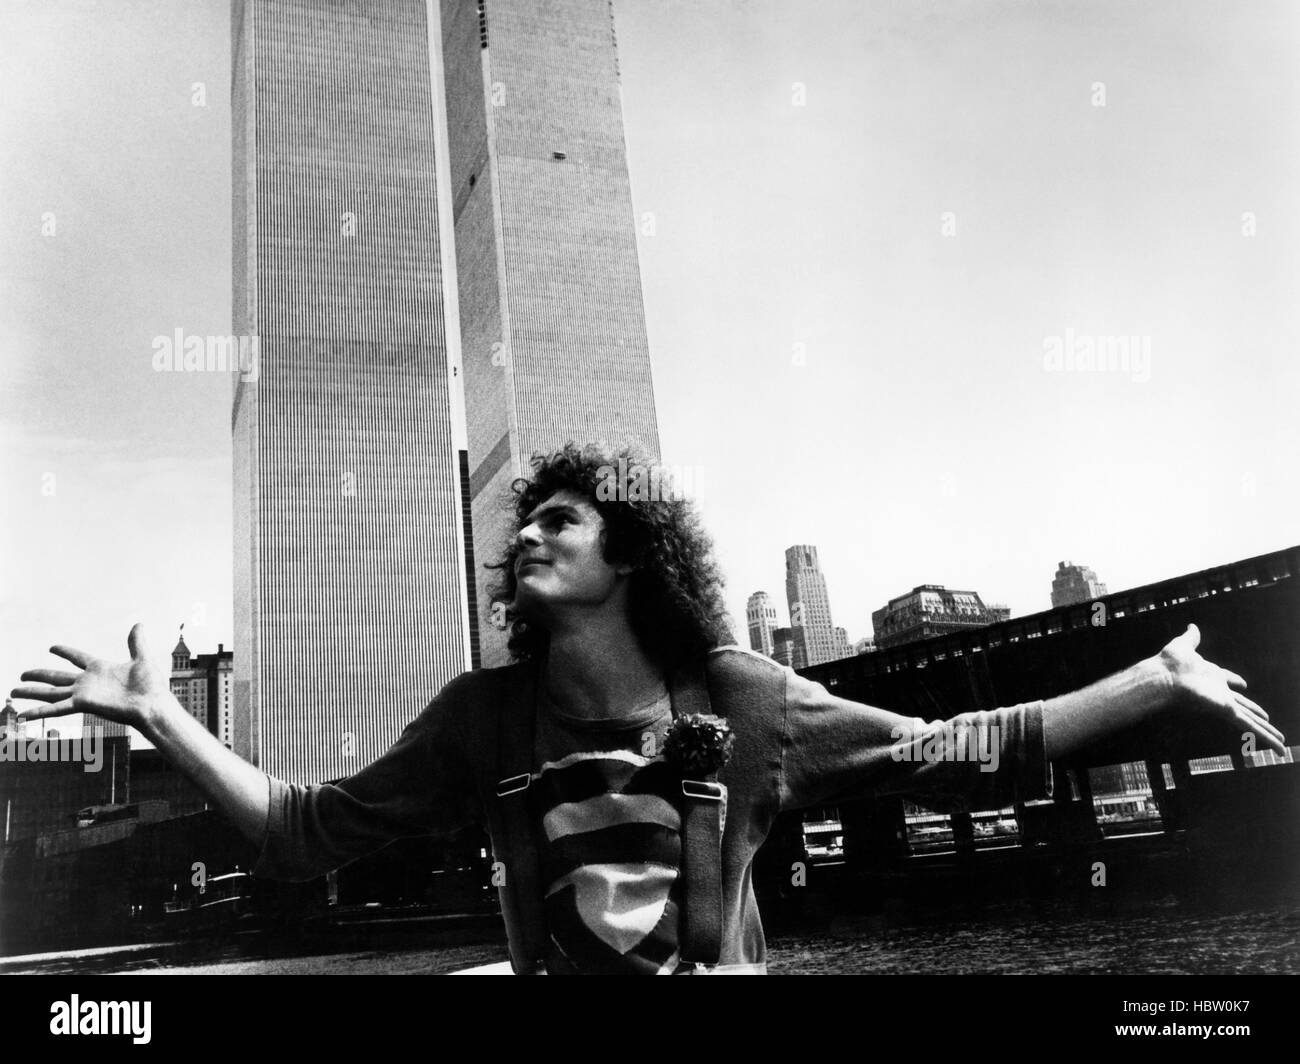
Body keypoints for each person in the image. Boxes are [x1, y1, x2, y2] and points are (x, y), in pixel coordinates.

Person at [11, 442, 1286, 975]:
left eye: (559, 519)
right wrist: (158, 716)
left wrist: (1151, 681)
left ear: (630, 551)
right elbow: (303, 830)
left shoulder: (737, 696)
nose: (528, 538)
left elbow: (957, 748)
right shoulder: (482, 718)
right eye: (525, 527)